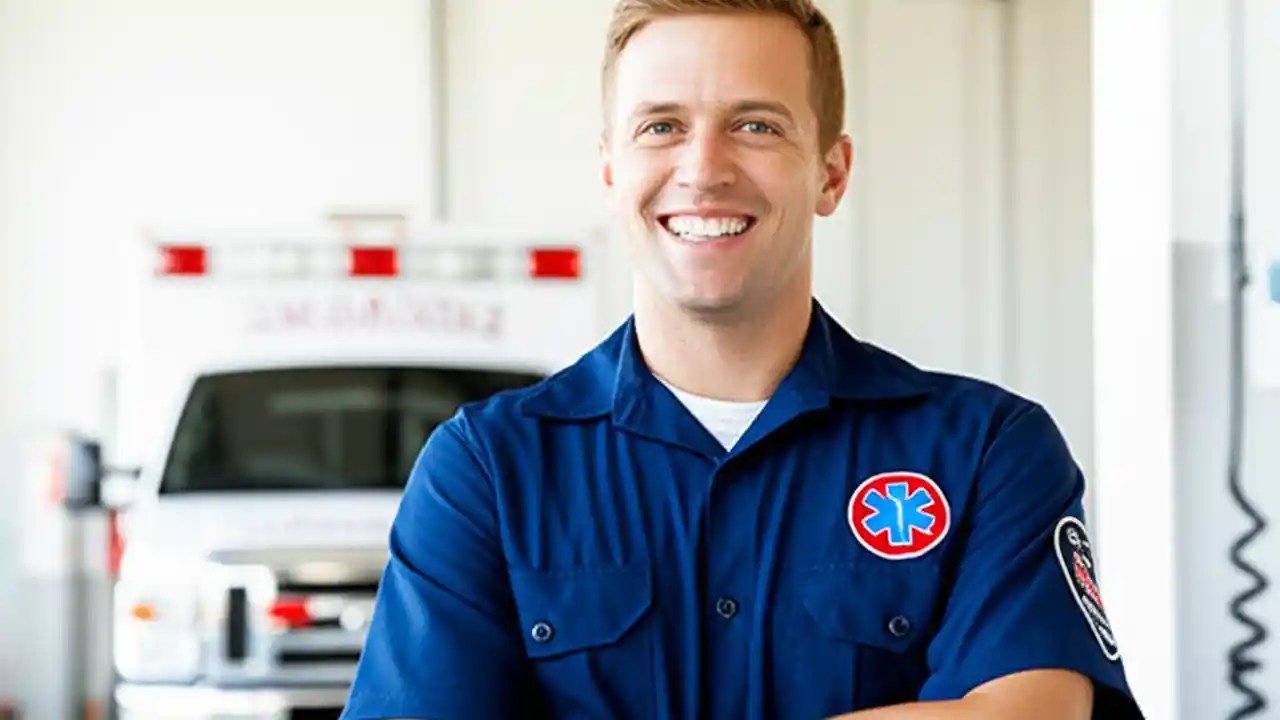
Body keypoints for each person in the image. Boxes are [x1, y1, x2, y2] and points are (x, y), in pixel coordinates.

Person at [341, 1, 1146, 718]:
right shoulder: (491, 469)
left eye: (756, 125)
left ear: (831, 172)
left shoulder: (985, 450)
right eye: (661, 126)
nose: (703, 168)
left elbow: (1032, 709)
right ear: (611, 168)